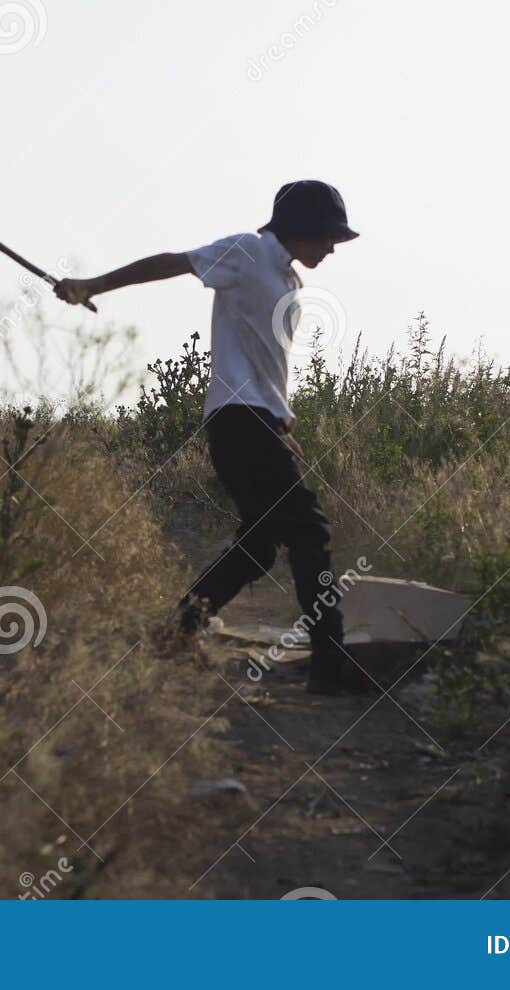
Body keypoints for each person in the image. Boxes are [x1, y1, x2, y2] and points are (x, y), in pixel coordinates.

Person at [55, 180, 368, 694]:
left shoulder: (291, 284)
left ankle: (178, 632)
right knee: (308, 531)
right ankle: (330, 668)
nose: (331, 248)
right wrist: (93, 285)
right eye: (326, 237)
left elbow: (264, 363)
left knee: (262, 544)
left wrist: (282, 426)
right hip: (237, 422)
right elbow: (171, 263)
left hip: (257, 423)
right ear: (300, 229)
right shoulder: (247, 251)